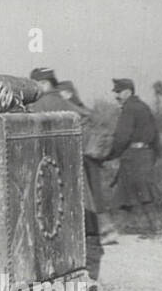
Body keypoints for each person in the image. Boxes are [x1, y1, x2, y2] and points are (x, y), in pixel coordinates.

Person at [26, 67, 113, 270]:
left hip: (47, 183)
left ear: (43, 84)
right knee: (83, 238)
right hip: (79, 183)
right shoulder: (73, 107)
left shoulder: (35, 107)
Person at [101, 78, 160, 232]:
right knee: (126, 191)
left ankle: (155, 228)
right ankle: (117, 228)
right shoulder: (143, 107)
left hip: (134, 157)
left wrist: (109, 155)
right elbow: (156, 135)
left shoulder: (129, 108)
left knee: (138, 191)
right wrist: (153, 156)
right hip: (145, 154)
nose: (116, 96)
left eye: (118, 92)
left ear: (128, 92)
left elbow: (122, 137)